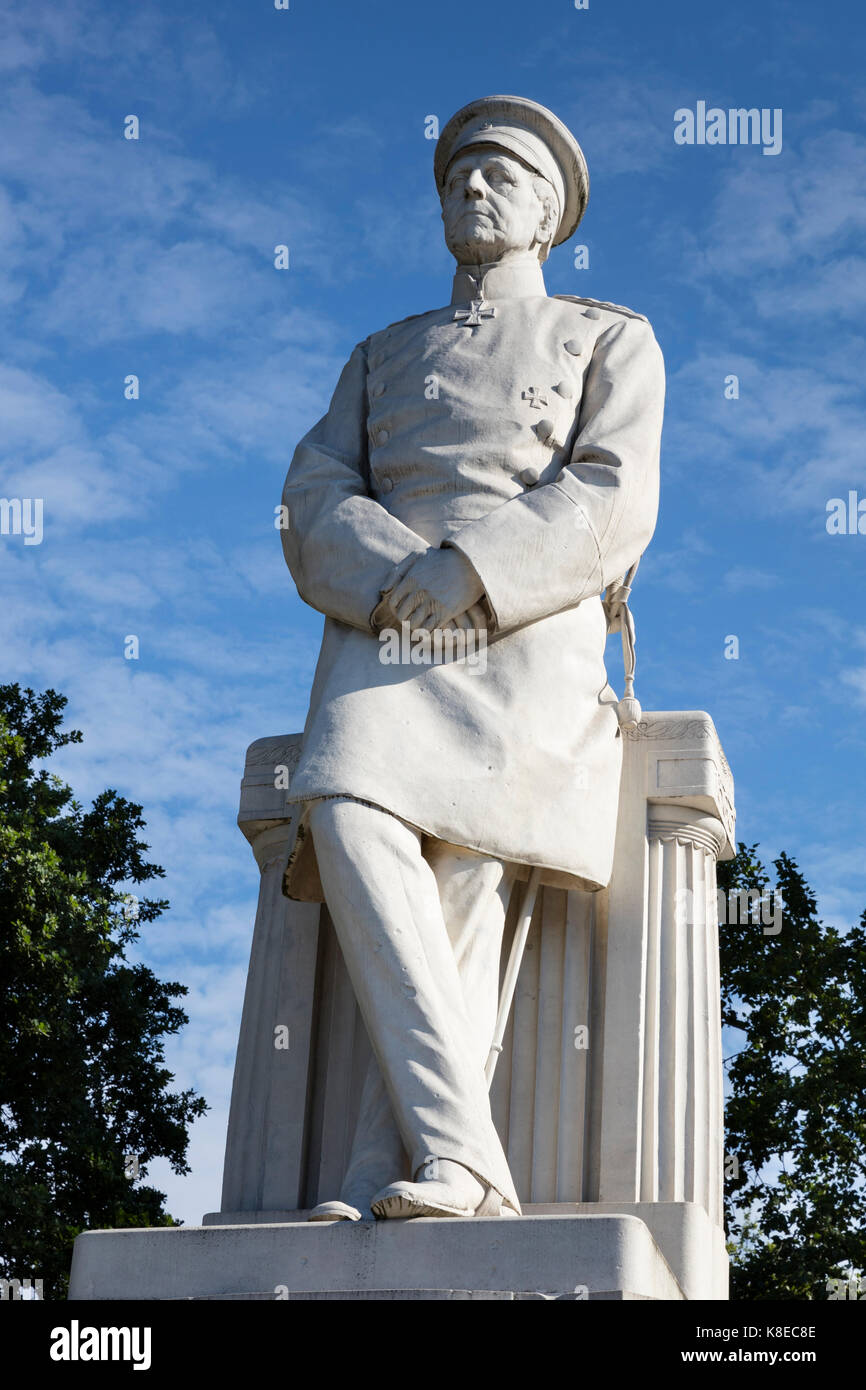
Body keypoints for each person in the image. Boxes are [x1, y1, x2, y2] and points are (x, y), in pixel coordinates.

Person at [279, 95, 665, 1221]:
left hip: (525, 626)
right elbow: (310, 497)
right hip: (387, 623)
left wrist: (476, 571)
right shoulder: (379, 353)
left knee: (466, 868)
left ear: (548, 214)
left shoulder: (606, 335)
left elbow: (611, 488)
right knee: (344, 796)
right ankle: (467, 1161)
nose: (474, 189)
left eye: (501, 176)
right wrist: (401, 574)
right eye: (458, 176)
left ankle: (393, 1167)